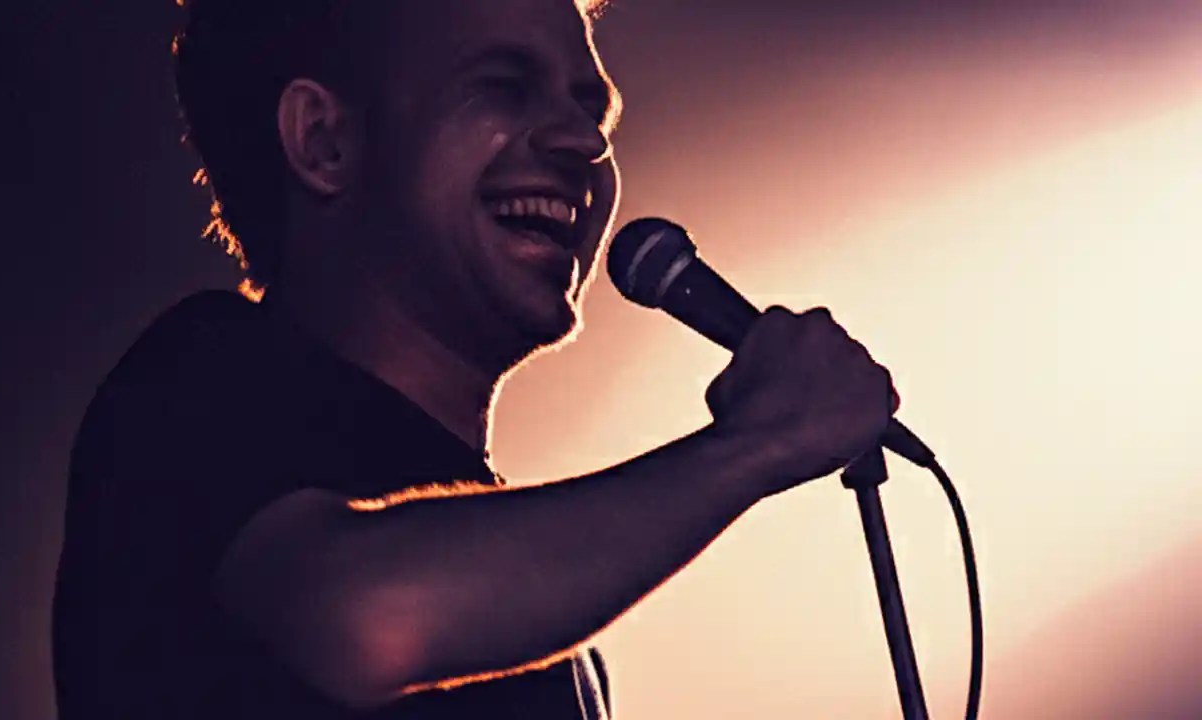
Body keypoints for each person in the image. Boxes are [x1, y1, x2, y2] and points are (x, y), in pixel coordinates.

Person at [51, 0, 898, 718]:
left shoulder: (524, 587)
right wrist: (757, 444)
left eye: (589, 110)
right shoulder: (195, 379)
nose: (583, 143)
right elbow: (371, 619)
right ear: (325, 141)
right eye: (503, 86)